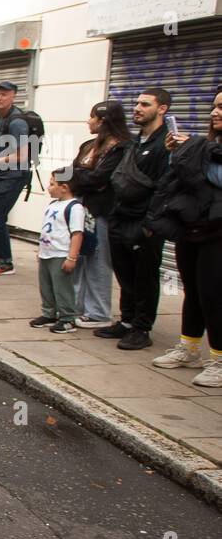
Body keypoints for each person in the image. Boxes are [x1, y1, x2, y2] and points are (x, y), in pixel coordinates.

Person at [148, 87, 222, 387]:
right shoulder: (206, 145)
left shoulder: (204, 148)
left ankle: (218, 359)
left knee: (214, 295)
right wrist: (178, 154)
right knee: (193, 290)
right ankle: (190, 348)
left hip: (218, 231)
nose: (216, 112)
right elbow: (184, 181)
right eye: (215, 106)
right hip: (193, 226)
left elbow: (212, 178)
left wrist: (194, 152)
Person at [98, 87, 172, 351]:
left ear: (162, 109)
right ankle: (127, 320)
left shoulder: (167, 144)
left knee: (144, 276)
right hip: (122, 216)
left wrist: (152, 223)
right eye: (137, 104)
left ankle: (142, 327)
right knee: (125, 273)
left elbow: (166, 186)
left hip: (145, 221)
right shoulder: (134, 142)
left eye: (145, 104)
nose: (138, 109)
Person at [70, 101, 131, 330]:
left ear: (103, 121)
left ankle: (98, 312)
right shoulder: (88, 145)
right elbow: (72, 170)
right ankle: (75, 306)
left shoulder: (121, 147)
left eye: (92, 117)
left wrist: (80, 178)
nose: (89, 121)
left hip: (102, 211)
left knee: (98, 260)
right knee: (79, 257)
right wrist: (82, 177)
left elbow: (101, 179)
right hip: (82, 207)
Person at [0, 81, 34, 276]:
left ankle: (6, 262)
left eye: (3, 94)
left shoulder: (17, 122)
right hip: (0, 173)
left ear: (13, 96)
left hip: (14, 174)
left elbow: (22, 155)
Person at [29, 166, 85, 334]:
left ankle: (67, 318)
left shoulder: (75, 208)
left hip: (61, 254)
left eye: (52, 184)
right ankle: (49, 313)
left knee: (62, 288)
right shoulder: (53, 204)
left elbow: (77, 234)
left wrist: (72, 258)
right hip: (47, 253)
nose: (48, 187)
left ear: (64, 187)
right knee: (46, 286)